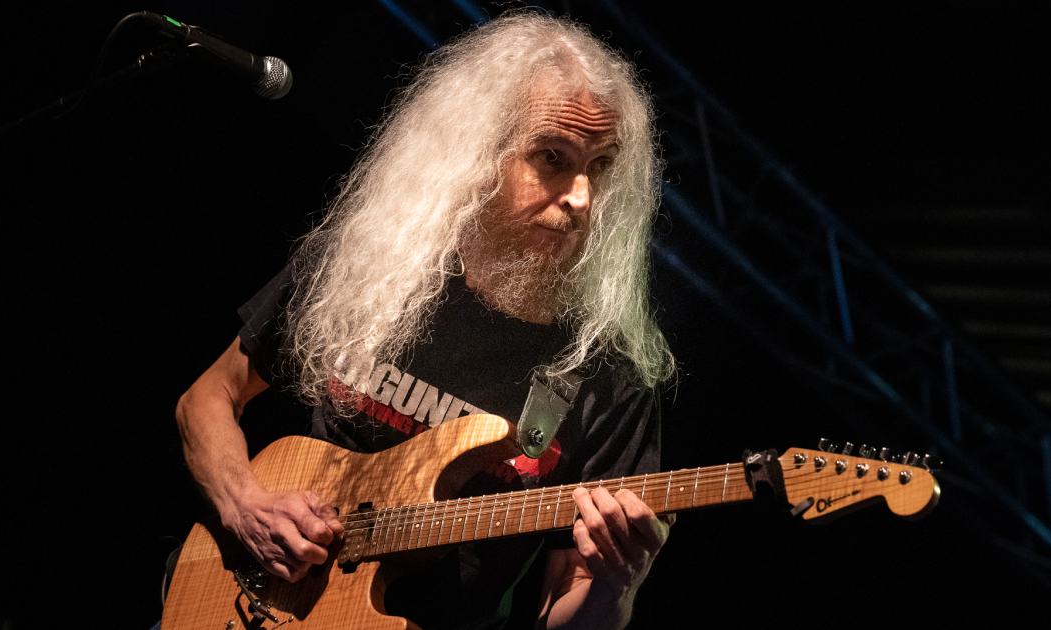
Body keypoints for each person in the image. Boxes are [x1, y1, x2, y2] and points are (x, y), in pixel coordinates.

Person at [175, 11, 676, 630]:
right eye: (552, 157)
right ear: (480, 148)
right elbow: (208, 396)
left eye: (600, 167)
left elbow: (563, 613)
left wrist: (617, 586)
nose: (581, 197)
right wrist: (245, 505)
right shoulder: (371, 265)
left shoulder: (609, 378)